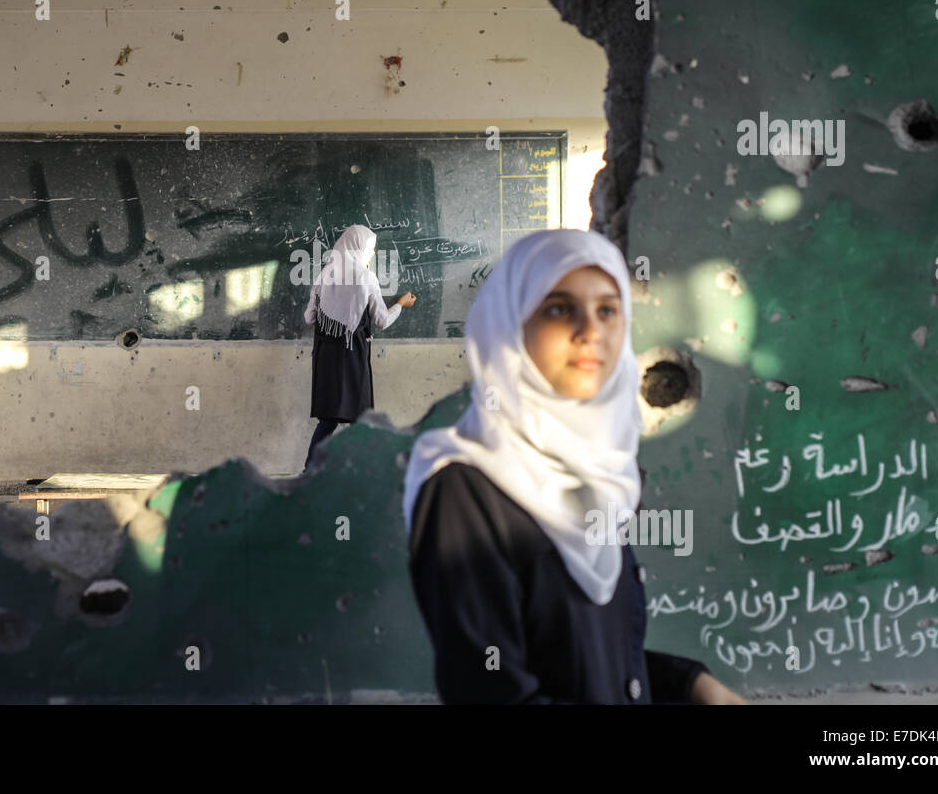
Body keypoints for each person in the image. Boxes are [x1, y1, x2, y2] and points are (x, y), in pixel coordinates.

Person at [402, 228, 745, 704]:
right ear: (510, 325)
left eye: (608, 309)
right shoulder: (464, 491)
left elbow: (590, 658)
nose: (591, 332)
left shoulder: (598, 469)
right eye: (559, 309)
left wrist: (690, 685)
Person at [303, 224, 416, 471]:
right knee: (360, 419)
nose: (372, 254)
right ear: (358, 248)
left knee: (328, 419)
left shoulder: (324, 275)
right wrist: (400, 304)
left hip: (325, 358)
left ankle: (309, 472)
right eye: (370, 249)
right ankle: (360, 472)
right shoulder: (366, 278)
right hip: (352, 356)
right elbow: (382, 320)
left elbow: (309, 318)